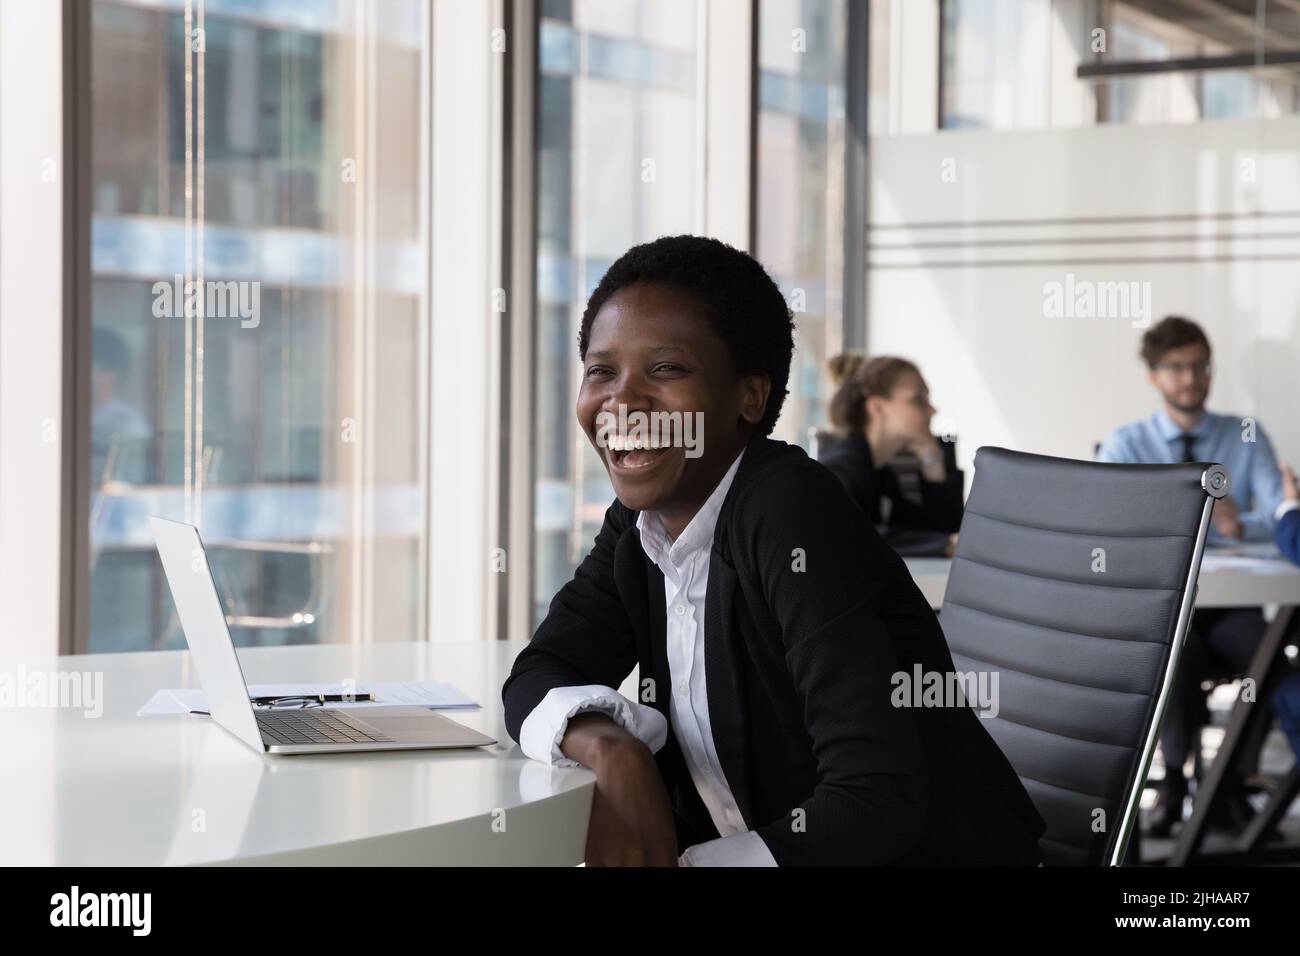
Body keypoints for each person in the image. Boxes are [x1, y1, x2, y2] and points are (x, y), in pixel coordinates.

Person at [501, 235, 1045, 866]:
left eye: (667, 369)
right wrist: (610, 748)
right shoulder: (638, 524)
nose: (621, 401)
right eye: (601, 371)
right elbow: (536, 676)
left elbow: (875, 799)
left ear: (749, 397)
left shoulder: (790, 512)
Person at [1098, 315, 1280, 837]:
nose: (1191, 377)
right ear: (1154, 375)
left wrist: (1236, 522)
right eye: (1177, 367)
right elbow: (1110, 526)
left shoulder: (1246, 436)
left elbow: (1283, 515)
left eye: (1200, 364)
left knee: (1267, 662)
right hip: (1166, 608)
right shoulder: (1126, 443)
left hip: (1231, 609)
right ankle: (1174, 779)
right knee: (1168, 658)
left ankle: (1227, 782)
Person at [817, 355, 963, 554]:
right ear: (877, 407)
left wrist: (932, 459)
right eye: (918, 399)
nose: (932, 410)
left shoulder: (882, 471)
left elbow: (939, 532)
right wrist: (943, 544)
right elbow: (849, 536)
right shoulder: (840, 469)